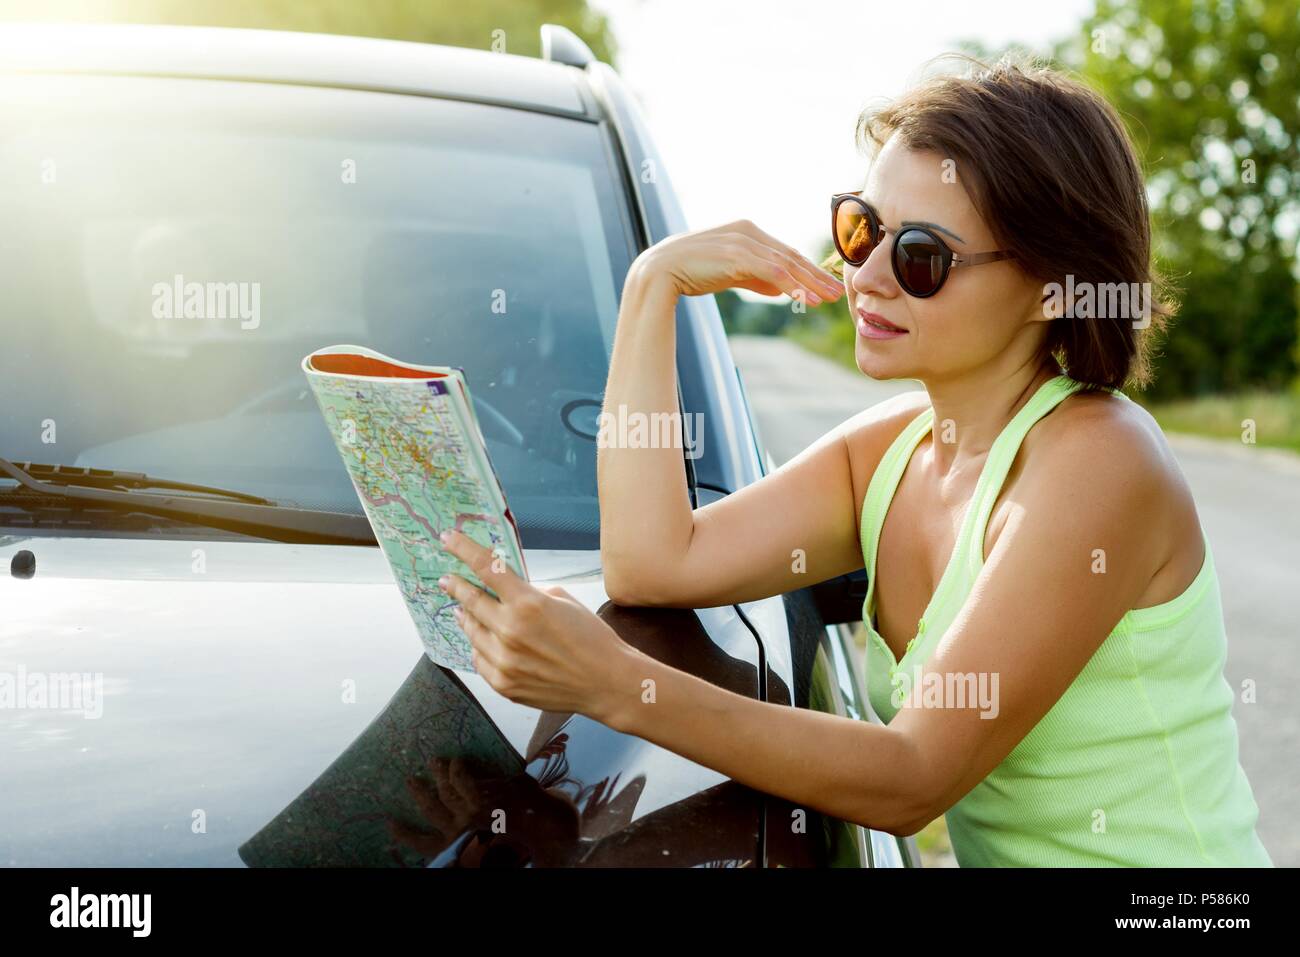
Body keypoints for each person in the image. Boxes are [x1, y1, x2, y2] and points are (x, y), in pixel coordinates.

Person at [436, 55, 1273, 867]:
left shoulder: (1102, 461)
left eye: (920, 257)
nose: (866, 274)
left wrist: (616, 683)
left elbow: (913, 776)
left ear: (1052, 287)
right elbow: (653, 560)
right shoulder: (891, 452)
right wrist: (652, 285)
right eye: (861, 228)